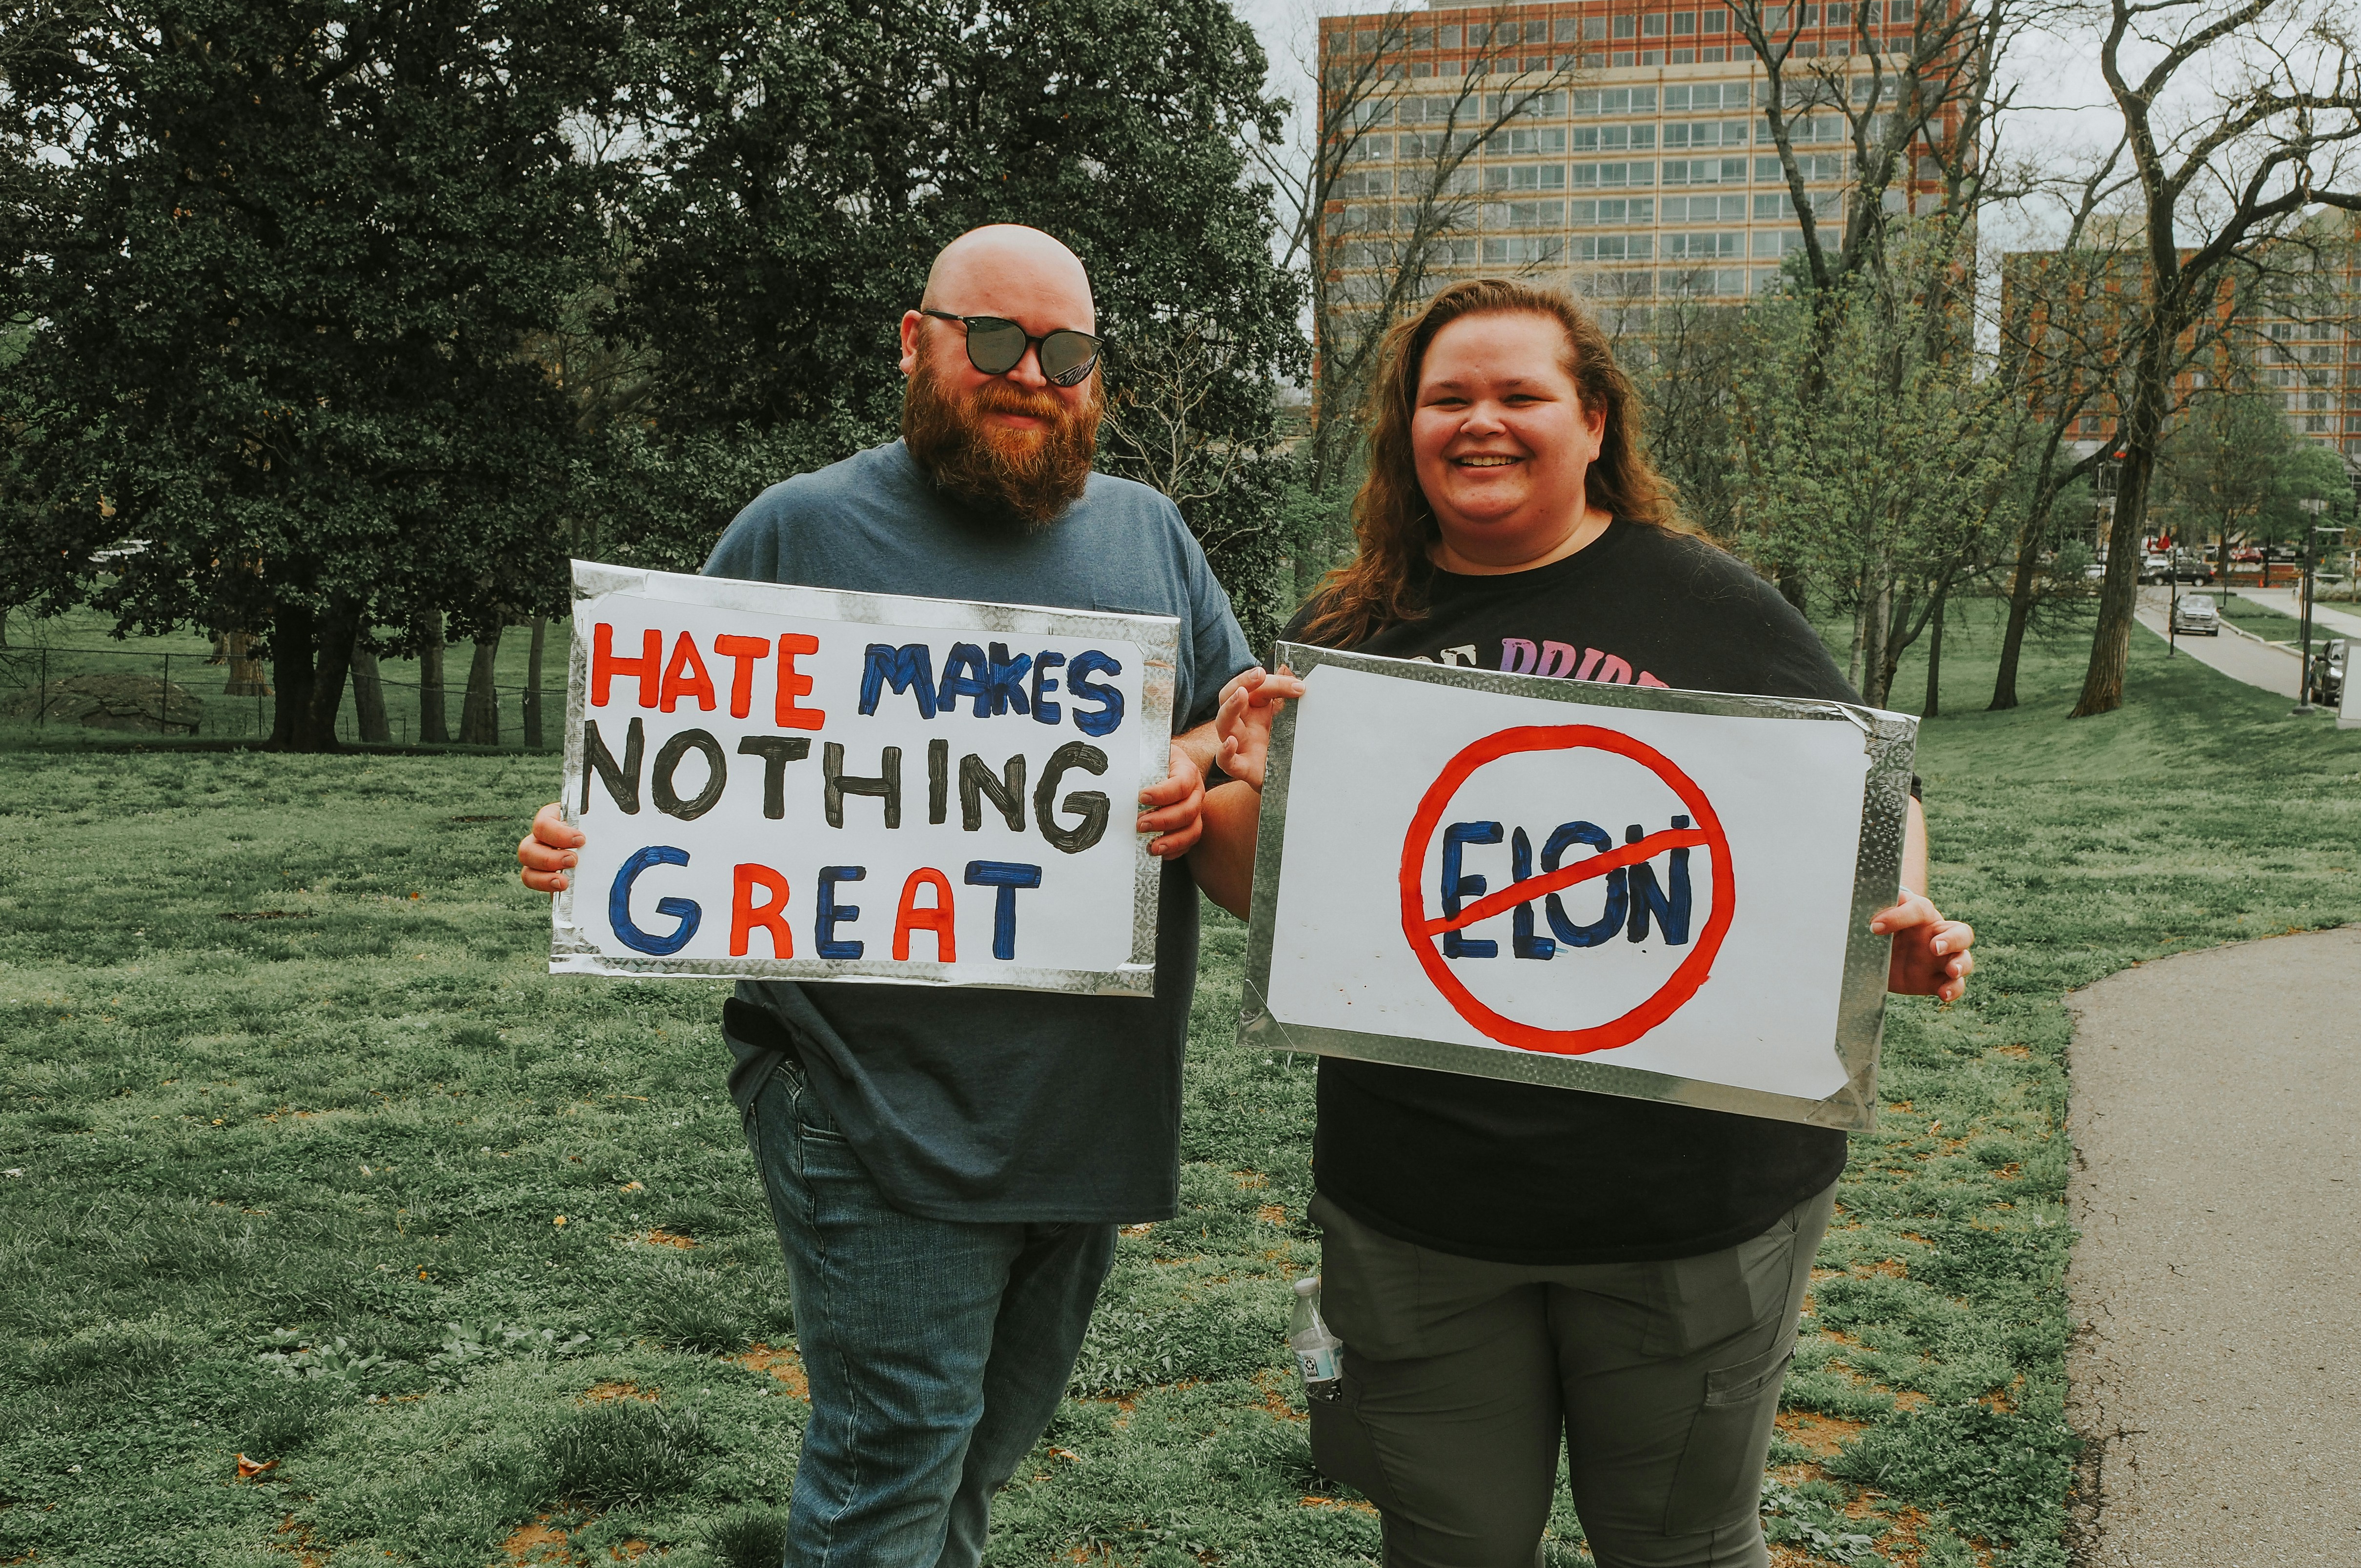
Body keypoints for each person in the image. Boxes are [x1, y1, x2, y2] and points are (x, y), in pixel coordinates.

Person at [1197, 278, 1976, 1568]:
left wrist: (1884, 923)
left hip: (1694, 1215)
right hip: (1420, 1211)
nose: (1481, 423)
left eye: (1520, 396)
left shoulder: (1710, 605)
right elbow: (1264, 897)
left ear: (1596, 422)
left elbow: (1870, 806)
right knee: (1449, 1547)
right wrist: (1242, 796)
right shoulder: (1351, 636)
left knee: (1681, 1546)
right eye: (1449, 398)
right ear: (1407, 430)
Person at [517, 224, 1262, 1568]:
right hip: (869, 1092)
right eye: (993, 340)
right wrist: (590, 836)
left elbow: (1222, 728)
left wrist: (1187, 763)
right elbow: (674, 747)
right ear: (914, 341)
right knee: (897, 1460)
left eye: (1067, 350)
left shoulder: (1152, 532)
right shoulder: (801, 525)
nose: (1031, 373)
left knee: (975, 1451)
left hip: (1090, 1103)